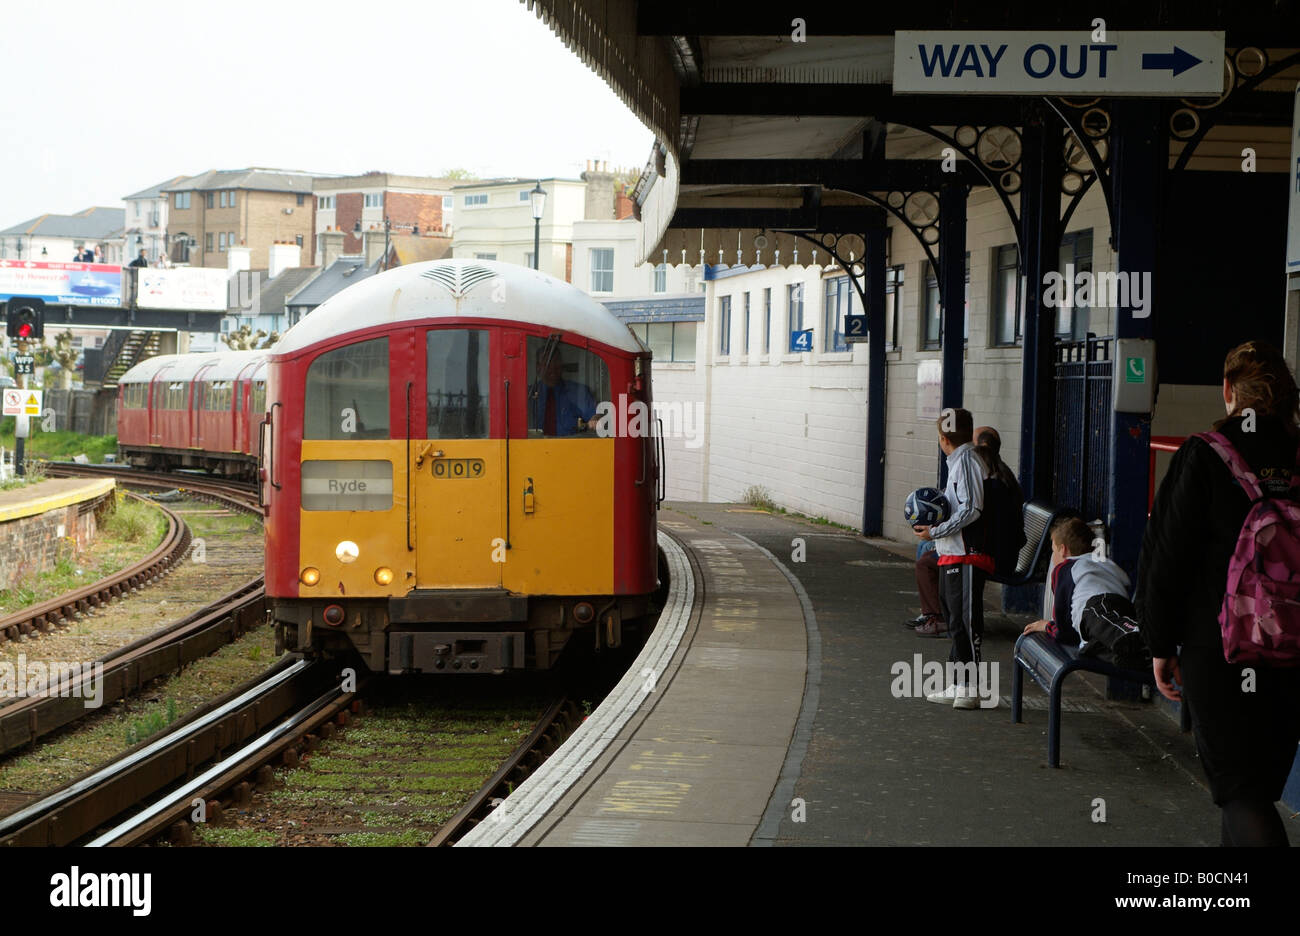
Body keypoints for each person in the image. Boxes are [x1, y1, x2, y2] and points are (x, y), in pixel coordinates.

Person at [1137, 340, 1300, 846]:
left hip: (1221, 648)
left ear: (1228, 391)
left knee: (1240, 792)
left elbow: (1164, 557)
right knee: (1252, 789)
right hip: (1293, 651)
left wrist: (1159, 645)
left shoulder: (1204, 456)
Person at [913, 408, 994, 708]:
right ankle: (959, 682)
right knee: (954, 620)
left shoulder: (968, 462)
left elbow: (972, 508)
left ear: (944, 439)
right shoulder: (961, 461)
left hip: (967, 555)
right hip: (953, 554)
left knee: (966, 622)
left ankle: (971, 688)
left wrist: (935, 531)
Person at [912, 425, 1014, 637]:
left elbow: (971, 512)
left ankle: (937, 616)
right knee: (926, 546)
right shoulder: (996, 470)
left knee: (926, 557)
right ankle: (936, 613)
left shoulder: (982, 472)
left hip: (985, 551)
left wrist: (936, 531)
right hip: (991, 545)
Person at [1022, 517, 1147, 667]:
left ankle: (1138, 635)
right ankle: (1131, 656)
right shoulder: (1102, 563)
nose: (1053, 557)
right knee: (1093, 646)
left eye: (1053, 551)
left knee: (1103, 623)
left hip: (1097, 606)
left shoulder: (1065, 567)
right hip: (1118, 610)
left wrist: (1049, 626)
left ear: (1063, 550)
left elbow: (1063, 627)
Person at [529, 346, 597, 437]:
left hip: (571, 449)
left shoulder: (578, 392)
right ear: (538, 368)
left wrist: (595, 420)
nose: (553, 369)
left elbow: (595, 417)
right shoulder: (528, 395)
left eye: (556, 363)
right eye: (548, 364)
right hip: (532, 449)